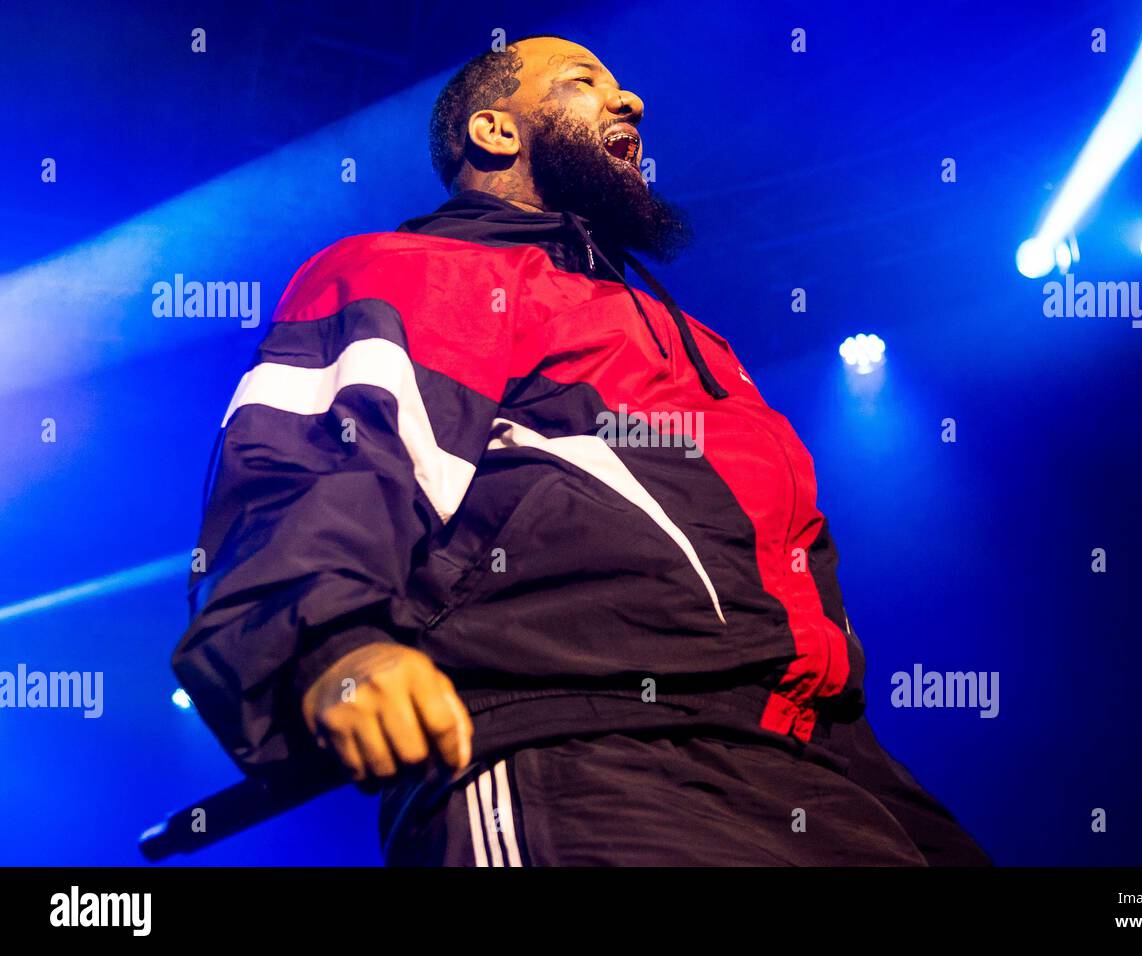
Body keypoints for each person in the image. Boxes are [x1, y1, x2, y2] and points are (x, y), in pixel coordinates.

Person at [173, 34, 989, 866]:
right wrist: (333, 648)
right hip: (581, 764)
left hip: (825, 781)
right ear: (495, 132)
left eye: (624, 86)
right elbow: (314, 466)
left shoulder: (692, 337)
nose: (630, 100)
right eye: (585, 82)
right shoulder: (415, 269)